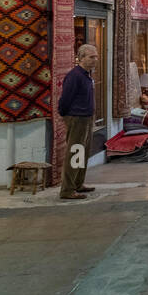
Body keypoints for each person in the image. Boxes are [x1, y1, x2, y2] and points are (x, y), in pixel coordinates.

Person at [58, 44, 99, 200]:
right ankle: (67, 189)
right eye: (91, 57)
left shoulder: (87, 75)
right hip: (77, 118)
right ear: (81, 58)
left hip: (86, 118)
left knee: (82, 152)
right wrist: (66, 114)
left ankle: (77, 183)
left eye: (96, 56)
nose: (95, 60)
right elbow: (66, 98)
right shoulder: (75, 76)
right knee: (75, 152)